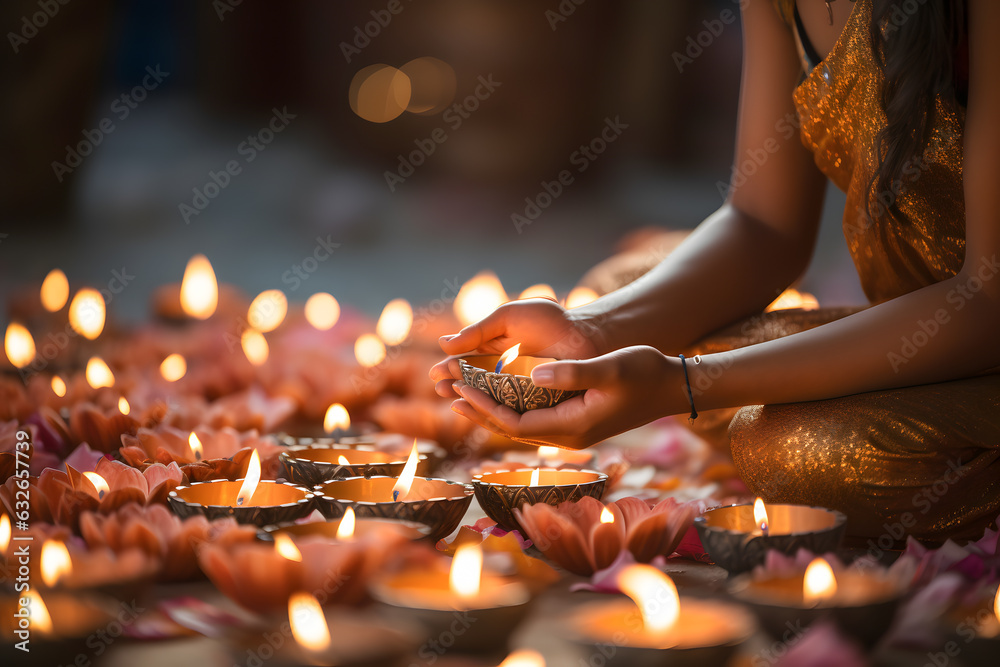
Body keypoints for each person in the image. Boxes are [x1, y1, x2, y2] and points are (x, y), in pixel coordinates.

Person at [431, 0, 1000, 544]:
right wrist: (592, 331)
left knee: (796, 450)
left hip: (978, 337)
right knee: (618, 289)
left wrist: (685, 384)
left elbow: (985, 300)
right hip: (901, 332)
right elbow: (763, 227)